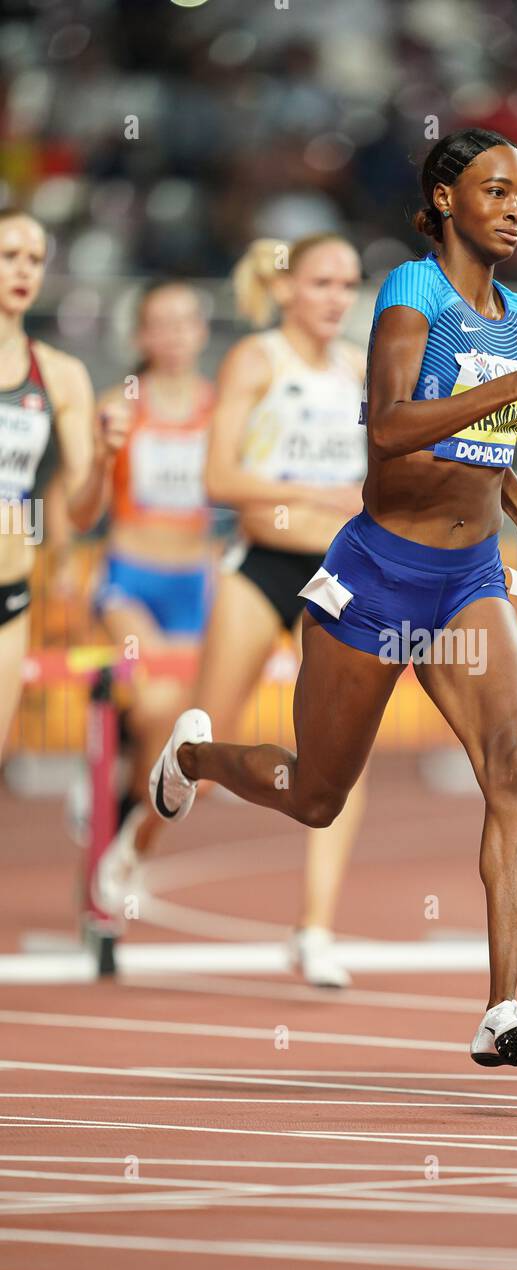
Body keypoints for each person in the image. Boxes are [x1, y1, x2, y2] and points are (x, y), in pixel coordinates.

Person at [149, 129, 517, 1065]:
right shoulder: (408, 295)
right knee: (315, 796)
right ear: (442, 199)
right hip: (379, 573)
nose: (515, 209)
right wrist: (516, 382)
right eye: (496, 191)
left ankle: (502, 1008)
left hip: (468, 582)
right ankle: (199, 756)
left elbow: (485, 446)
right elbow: (390, 432)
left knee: (515, 766)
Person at [99, 235, 367, 988]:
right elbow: (218, 477)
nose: (337, 297)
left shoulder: (357, 368)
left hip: (338, 574)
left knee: (346, 755)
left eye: (348, 283)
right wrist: (317, 495)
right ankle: (135, 848)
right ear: (287, 291)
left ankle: (314, 929)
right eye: (321, 281)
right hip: (263, 566)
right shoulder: (258, 359)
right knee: (203, 743)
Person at [0, 207, 127, 756]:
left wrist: (103, 459)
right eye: (9, 257)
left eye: (35, 260)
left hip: (10, 593)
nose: (24, 271)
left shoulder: (59, 373)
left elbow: (79, 512)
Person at [91, 280, 214, 824]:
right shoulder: (118, 406)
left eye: (184, 321)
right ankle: (112, 759)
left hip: (194, 580)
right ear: (142, 334)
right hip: (131, 576)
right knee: (157, 701)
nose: (173, 335)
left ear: (202, 331)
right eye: (161, 323)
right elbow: (80, 497)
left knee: (172, 717)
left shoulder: (217, 407)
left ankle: (125, 812)